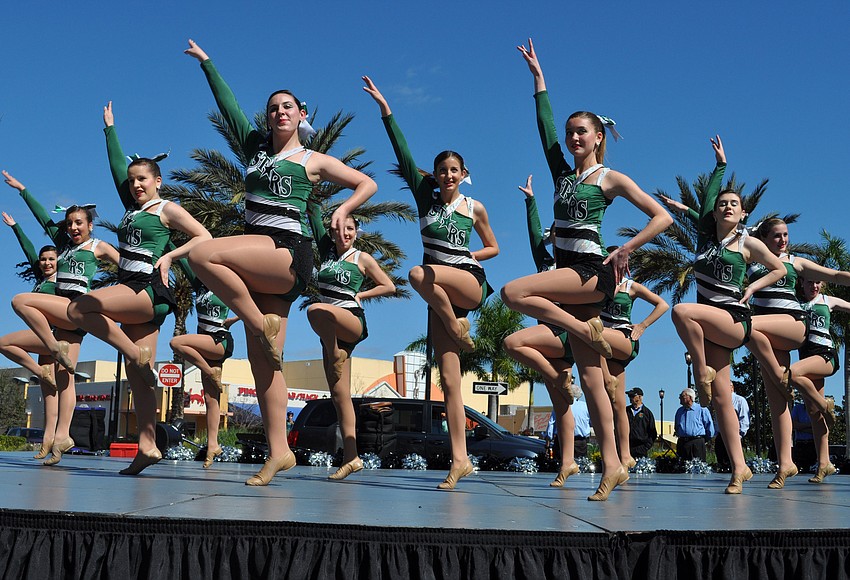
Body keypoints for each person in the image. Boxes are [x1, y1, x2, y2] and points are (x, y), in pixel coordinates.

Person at [186, 40, 377, 486]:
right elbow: (229, 108)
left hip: (287, 252)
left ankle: (256, 321)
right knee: (264, 363)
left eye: (287, 106)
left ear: (300, 114)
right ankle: (279, 452)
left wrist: (345, 209)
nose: (279, 113)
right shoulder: (255, 147)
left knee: (201, 253)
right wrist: (209, 64)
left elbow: (365, 182)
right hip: (260, 260)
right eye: (272, 108)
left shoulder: (312, 159)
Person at [504, 39, 672, 501]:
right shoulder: (563, 176)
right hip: (570, 277)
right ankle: (613, 465)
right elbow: (544, 132)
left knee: (513, 292)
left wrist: (627, 249)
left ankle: (583, 325)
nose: (575, 137)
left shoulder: (608, 178)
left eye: (583, 131)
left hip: (589, 270)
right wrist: (539, 81)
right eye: (571, 131)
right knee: (594, 382)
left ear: (599, 137)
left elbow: (663, 217)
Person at [362, 76, 498, 491]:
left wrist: (470, 256)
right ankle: (460, 460)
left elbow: (493, 247)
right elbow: (402, 154)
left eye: (454, 170)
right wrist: (387, 111)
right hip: (440, 297)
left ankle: (461, 325)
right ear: (435, 176)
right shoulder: (427, 200)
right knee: (450, 383)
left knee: (417, 273)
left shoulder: (474, 207)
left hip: (468, 283)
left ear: (463, 173)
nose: (447, 176)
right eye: (442, 171)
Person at [66, 102, 211, 475]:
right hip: (133, 289)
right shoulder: (132, 209)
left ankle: (137, 357)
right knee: (138, 376)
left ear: (157, 181)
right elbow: (116, 166)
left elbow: (203, 236)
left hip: (148, 289)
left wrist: (170, 257)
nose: (135, 184)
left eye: (142, 179)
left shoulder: (165, 209)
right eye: (132, 181)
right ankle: (147, 446)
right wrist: (110, 130)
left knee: (79, 309)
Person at [668, 136, 785, 493]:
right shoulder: (707, 240)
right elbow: (704, 203)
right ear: (714, 213)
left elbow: (779, 268)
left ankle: (700, 370)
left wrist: (751, 288)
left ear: (743, 212)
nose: (727, 207)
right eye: (722, 205)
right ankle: (740, 468)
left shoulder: (747, 242)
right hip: (711, 326)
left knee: (680, 310)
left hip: (733, 320)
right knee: (721, 400)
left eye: (734, 204)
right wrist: (718, 167)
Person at [2, 171, 120, 465]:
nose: (73, 227)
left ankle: (51, 352)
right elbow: (43, 218)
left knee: (20, 301)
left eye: (79, 222)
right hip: (69, 326)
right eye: (69, 224)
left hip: (73, 312)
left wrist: (135, 291)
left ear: (90, 225)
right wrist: (23, 190)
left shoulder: (97, 246)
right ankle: (60, 438)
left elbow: (126, 265)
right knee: (66, 381)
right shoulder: (64, 246)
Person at [306, 202, 395, 480]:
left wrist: (362, 295)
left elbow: (389, 286)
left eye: (350, 228)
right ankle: (352, 457)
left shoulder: (361, 258)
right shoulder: (327, 254)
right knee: (339, 397)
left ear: (356, 232)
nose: (345, 233)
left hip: (351, 321)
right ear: (333, 231)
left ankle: (335, 354)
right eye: (340, 228)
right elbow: (312, 214)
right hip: (328, 331)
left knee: (316, 309)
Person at [169, 260, 239, 469]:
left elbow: (249, 303)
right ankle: (213, 446)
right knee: (210, 400)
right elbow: (182, 260)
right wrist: (167, 240)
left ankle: (209, 371)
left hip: (219, 340)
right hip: (204, 345)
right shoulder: (199, 285)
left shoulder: (226, 285)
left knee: (176, 342)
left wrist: (231, 320)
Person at [0, 212, 58, 460]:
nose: (46, 263)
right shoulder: (39, 280)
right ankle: (48, 443)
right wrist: (16, 227)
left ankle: (37, 369)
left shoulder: (63, 280)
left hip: (53, 337)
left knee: (3, 342)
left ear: (59, 261)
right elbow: (28, 250)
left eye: (51, 259)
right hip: (41, 339)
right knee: (49, 395)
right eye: (43, 260)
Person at [600, 274, 668, 467]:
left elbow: (662, 304)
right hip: (604, 348)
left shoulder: (630, 286)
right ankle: (625, 456)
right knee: (618, 404)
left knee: (589, 330)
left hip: (622, 338)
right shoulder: (598, 282)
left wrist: (643, 325)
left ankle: (606, 378)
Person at [788, 276, 848, 484]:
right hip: (806, 356)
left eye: (817, 283)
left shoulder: (827, 300)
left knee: (793, 373)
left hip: (825, 354)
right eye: (809, 282)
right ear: (802, 285)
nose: (813, 286)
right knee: (814, 413)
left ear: (821, 285)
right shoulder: (796, 304)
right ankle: (824, 464)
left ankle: (826, 404)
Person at [714, 385, 750, 470]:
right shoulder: (719, 401)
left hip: (734, 436)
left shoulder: (740, 400)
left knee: (734, 463)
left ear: (732, 388)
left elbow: (744, 418)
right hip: (720, 436)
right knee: (721, 463)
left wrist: (740, 435)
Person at [674, 388, 715, 461]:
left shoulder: (702, 409)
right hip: (682, 443)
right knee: (681, 467)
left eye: (682, 396)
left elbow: (709, 428)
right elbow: (676, 426)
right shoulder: (679, 411)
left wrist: (703, 440)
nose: (679, 398)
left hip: (697, 442)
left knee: (698, 467)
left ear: (690, 397)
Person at [625, 388, 657, 458]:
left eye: (632, 396)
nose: (630, 398)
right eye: (629, 396)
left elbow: (653, 433)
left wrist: (645, 447)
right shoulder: (625, 411)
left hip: (640, 449)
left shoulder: (647, 413)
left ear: (639, 397)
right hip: (626, 448)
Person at [790, 400, 816, 472]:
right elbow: (794, 425)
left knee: (811, 468)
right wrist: (810, 425)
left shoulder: (817, 409)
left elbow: (817, 429)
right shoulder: (797, 408)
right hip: (800, 444)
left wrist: (801, 427)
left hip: (812, 444)